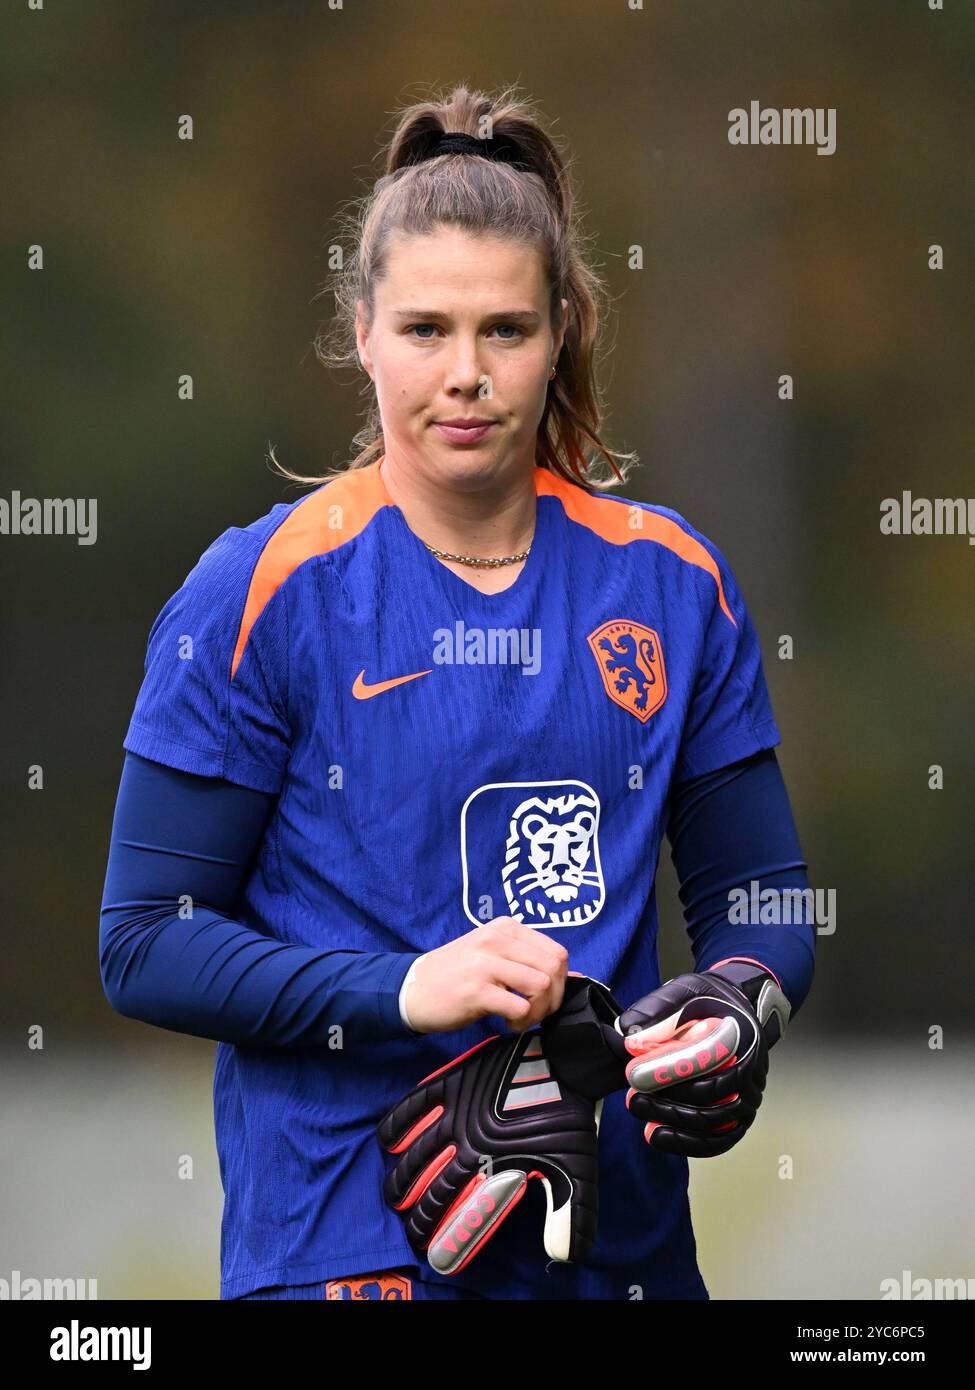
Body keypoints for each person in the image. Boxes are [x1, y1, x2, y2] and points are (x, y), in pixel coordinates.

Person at [100, 82, 815, 1302]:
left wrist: (743, 1001)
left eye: (507, 331)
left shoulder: (672, 580)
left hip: (619, 1248)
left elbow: (763, 896)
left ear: (565, 330)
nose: (468, 376)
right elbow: (144, 940)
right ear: (362, 330)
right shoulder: (263, 588)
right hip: (348, 1242)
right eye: (427, 329)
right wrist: (400, 990)